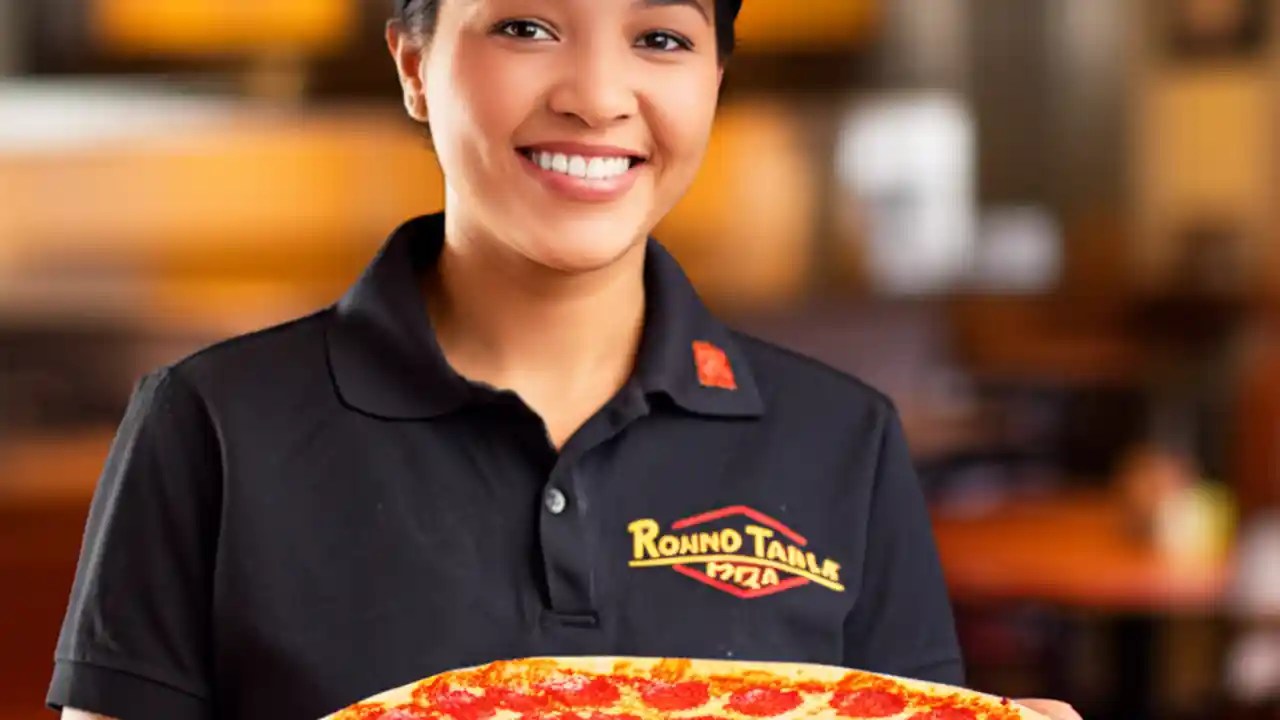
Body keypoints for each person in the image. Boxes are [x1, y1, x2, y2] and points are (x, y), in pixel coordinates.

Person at [49, 1, 1081, 718]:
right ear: (412, 64)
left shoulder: (842, 439)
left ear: (716, 74)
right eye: (524, 27)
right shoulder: (209, 425)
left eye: (660, 37)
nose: (596, 95)